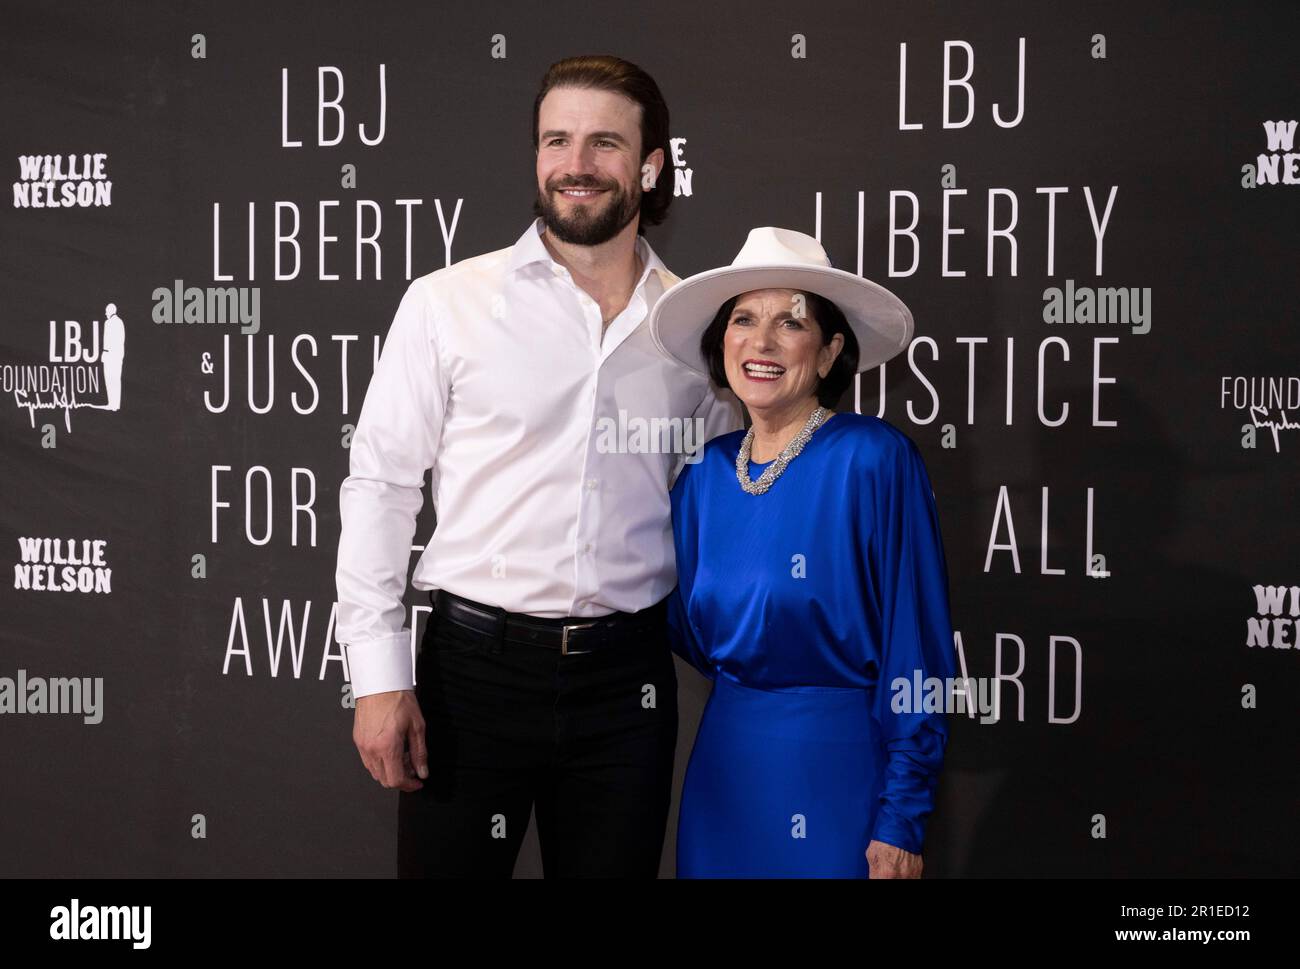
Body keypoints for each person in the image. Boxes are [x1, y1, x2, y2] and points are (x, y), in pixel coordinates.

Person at [334, 55, 742, 877]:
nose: (576, 165)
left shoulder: (696, 328)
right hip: (469, 679)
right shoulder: (447, 302)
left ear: (651, 165)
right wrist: (376, 677)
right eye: (557, 140)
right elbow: (380, 486)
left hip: (628, 686)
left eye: (603, 143)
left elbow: (727, 489)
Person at [648, 226, 958, 878]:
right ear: (722, 344)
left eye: (789, 323)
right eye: (743, 320)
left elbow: (915, 644)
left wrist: (901, 813)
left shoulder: (873, 459)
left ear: (828, 352)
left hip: (841, 772)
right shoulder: (703, 476)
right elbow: (678, 624)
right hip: (724, 778)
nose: (760, 342)